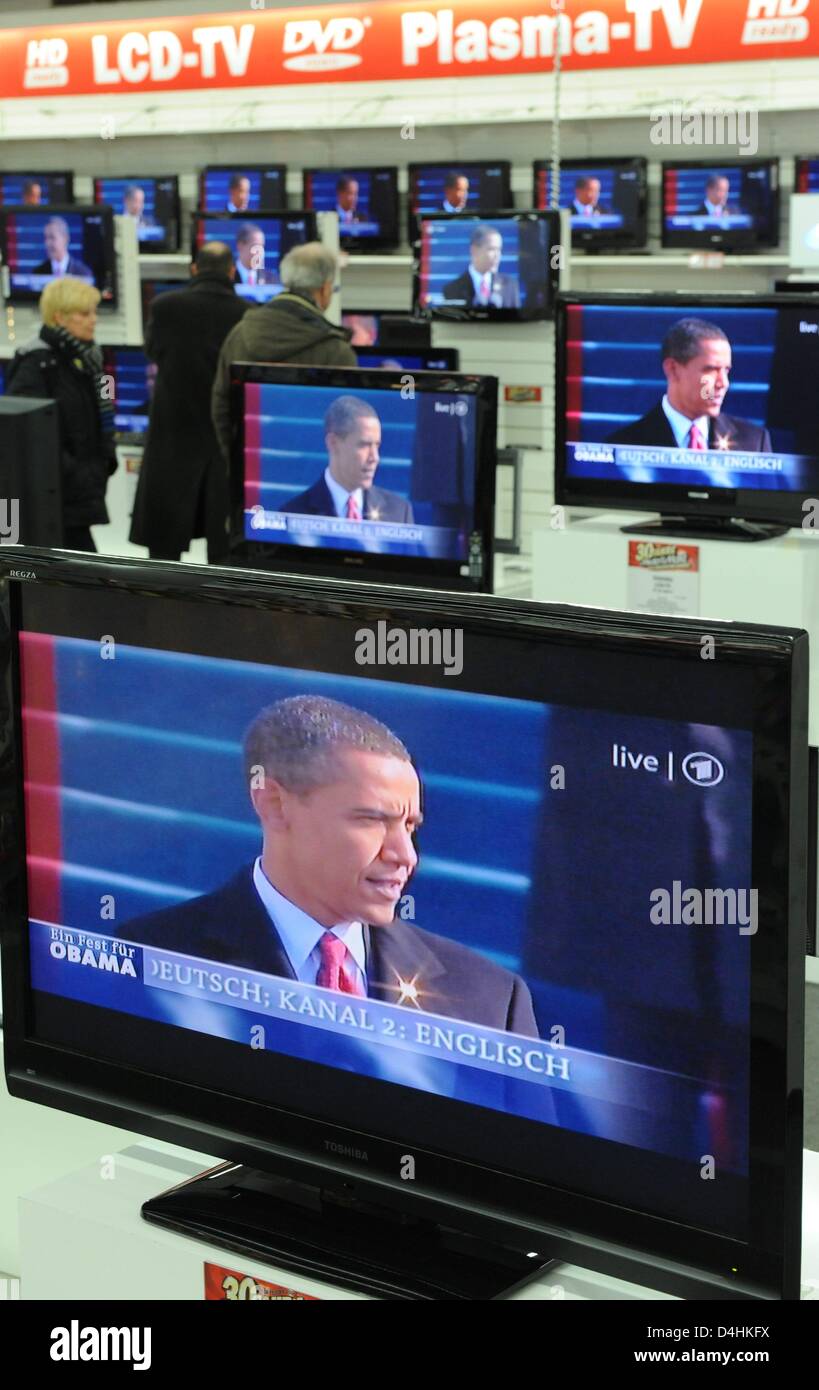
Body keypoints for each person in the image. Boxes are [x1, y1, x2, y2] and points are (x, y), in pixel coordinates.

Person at [120, 695, 538, 1036]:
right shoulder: (147, 959)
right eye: (373, 820)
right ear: (275, 805)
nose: (405, 856)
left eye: (410, 826)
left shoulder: (493, 1000)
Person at [129, 241, 249, 563]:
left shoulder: (164, 306)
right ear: (232, 271)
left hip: (173, 432)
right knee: (225, 553)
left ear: (194, 269)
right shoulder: (247, 314)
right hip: (226, 437)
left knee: (164, 552)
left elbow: (152, 352)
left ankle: (159, 611)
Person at [212, 241, 357, 461]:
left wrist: (237, 461)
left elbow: (220, 406)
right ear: (325, 288)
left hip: (250, 469)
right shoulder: (336, 350)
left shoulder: (239, 333)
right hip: (309, 470)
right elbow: (345, 426)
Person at [5, 276, 116, 551]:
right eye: (84, 313)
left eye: (94, 312)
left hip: (80, 495)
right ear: (59, 317)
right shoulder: (36, 364)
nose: (93, 320)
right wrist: (75, 473)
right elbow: (30, 438)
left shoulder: (92, 362)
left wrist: (105, 458)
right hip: (52, 502)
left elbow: (106, 407)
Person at [608, 317, 772, 452]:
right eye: (710, 370)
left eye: (726, 370)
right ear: (673, 369)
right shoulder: (624, 445)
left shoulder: (754, 442)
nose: (723, 383)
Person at [280, 395, 414, 522]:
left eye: (377, 445)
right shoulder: (293, 515)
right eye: (364, 445)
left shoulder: (400, 513)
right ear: (333, 443)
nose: (375, 458)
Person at [442, 224, 520, 308]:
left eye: (499, 249)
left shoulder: (510, 285)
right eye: (492, 249)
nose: (497, 255)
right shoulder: (452, 289)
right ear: (474, 250)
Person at [33, 216, 93, 281]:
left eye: (52, 237)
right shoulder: (38, 272)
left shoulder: (83, 273)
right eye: (46, 238)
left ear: (65, 239)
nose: (47, 243)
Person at [233, 222, 276, 287]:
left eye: (262, 247)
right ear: (240, 246)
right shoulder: (227, 276)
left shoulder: (271, 279)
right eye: (256, 247)